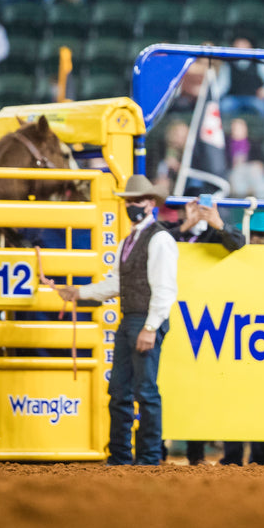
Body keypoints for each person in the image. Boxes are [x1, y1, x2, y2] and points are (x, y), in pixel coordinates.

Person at [58, 176, 178, 465]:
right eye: (129, 201)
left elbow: (164, 289)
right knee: (121, 390)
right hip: (132, 320)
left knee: (144, 390)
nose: (131, 205)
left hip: (143, 320)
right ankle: (122, 455)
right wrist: (79, 292)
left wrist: (150, 327)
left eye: (136, 200)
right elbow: (115, 284)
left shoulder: (159, 238)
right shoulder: (130, 240)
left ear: (151, 203)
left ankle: (148, 456)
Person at [157, 194, 245, 466]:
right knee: (172, 386)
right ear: (184, 208)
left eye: (204, 205)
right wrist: (186, 225)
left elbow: (239, 244)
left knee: (223, 387)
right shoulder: (168, 232)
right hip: (176, 320)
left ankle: (231, 458)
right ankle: (183, 455)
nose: (199, 210)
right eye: (193, 204)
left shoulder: (216, 235)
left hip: (213, 321)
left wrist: (217, 223)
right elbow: (155, 244)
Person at [220, 211, 264, 467]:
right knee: (235, 397)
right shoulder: (234, 265)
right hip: (239, 338)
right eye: (260, 236)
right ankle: (233, 455)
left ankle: (260, 457)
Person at [214, 36, 264, 119]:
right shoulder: (227, 64)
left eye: (243, 46)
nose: (240, 49)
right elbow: (222, 85)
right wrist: (212, 96)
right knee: (224, 106)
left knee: (262, 108)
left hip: (254, 98)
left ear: (250, 47)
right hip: (234, 98)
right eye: (237, 47)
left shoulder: (260, 62)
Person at [226, 118, 264, 200]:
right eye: (235, 128)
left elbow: (261, 162)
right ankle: (240, 201)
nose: (237, 130)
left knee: (256, 172)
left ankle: (263, 201)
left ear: (245, 129)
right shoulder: (226, 144)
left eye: (240, 128)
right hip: (234, 172)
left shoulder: (254, 143)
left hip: (251, 172)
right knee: (238, 176)